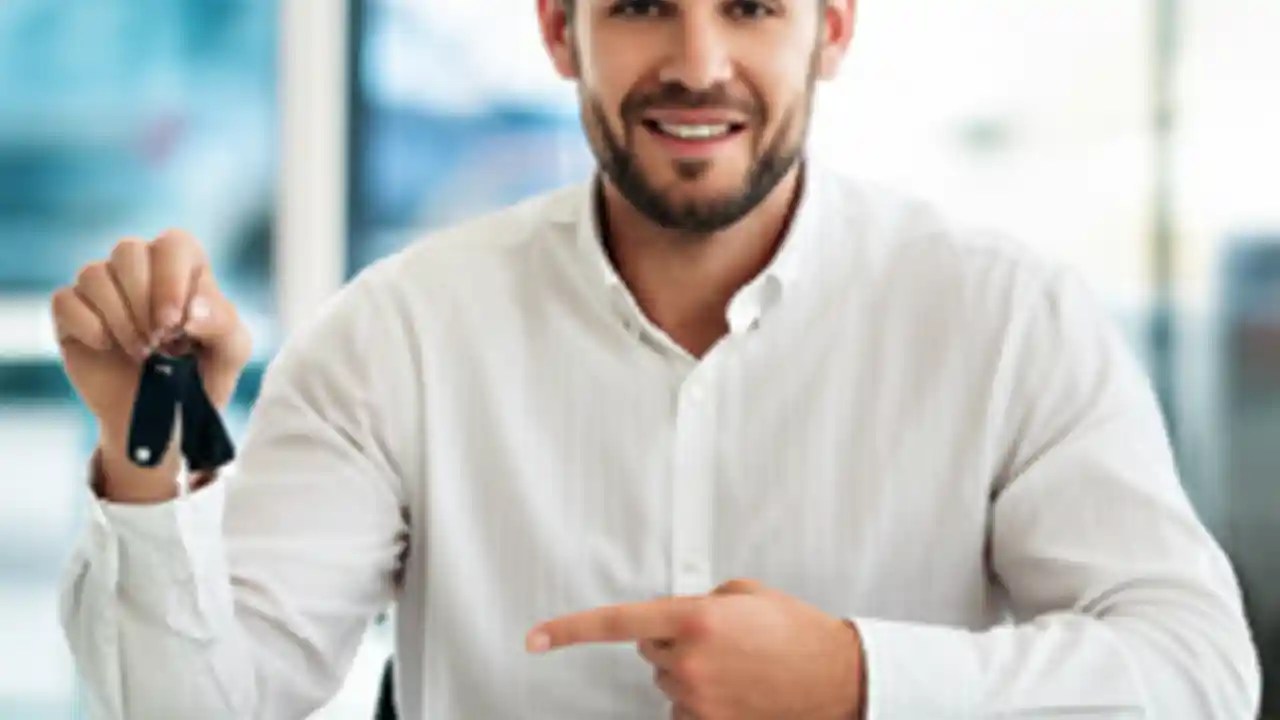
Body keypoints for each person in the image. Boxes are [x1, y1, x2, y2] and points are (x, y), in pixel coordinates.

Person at [52, 0, 1261, 718]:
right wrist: (144, 456)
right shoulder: (396, 335)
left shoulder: (1005, 321)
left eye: (750, 7)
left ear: (831, 28)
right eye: (637, 4)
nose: (695, 61)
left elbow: (1196, 675)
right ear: (557, 28)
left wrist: (857, 680)